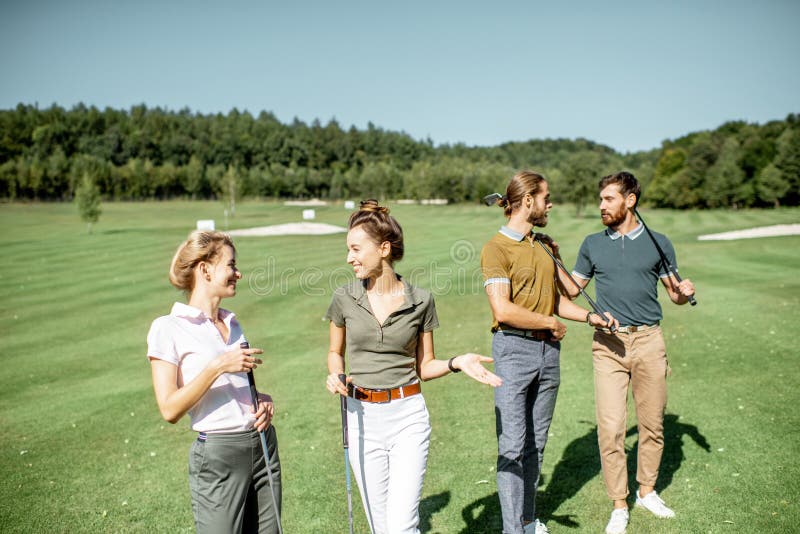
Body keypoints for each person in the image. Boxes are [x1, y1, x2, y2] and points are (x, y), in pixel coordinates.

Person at [324, 200, 503, 534]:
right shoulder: (344, 297)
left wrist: (457, 363)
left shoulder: (421, 300)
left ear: (384, 248)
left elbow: (426, 365)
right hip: (361, 419)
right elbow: (335, 352)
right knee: (381, 526)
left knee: (402, 525)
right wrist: (335, 373)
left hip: (407, 416)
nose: (349, 258)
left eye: (355, 249)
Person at [480, 170, 616, 534]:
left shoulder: (540, 244)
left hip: (547, 353)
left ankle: (526, 519)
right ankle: (514, 530)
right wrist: (549, 324)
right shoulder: (496, 247)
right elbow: (502, 310)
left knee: (536, 444)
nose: (549, 204)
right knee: (512, 444)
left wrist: (591, 316)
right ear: (528, 201)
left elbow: (563, 296)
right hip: (513, 349)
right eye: (546, 197)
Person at [565, 171, 696, 534]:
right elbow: (572, 289)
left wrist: (684, 292)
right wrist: (550, 257)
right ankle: (619, 504)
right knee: (611, 429)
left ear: (630, 200)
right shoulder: (592, 243)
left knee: (653, 425)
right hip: (608, 345)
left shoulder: (659, 242)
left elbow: (674, 294)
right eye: (601, 199)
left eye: (609, 199)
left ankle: (647, 491)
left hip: (650, 341)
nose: (601, 206)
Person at [146, 230, 281, 533]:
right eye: (231, 265)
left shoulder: (233, 322)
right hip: (219, 455)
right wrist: (217, 366)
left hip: (262, 447)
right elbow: (169, 409)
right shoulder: (167, 328)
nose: (238, 273)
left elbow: (239, 391)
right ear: (205, 269)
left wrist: (263, 400)